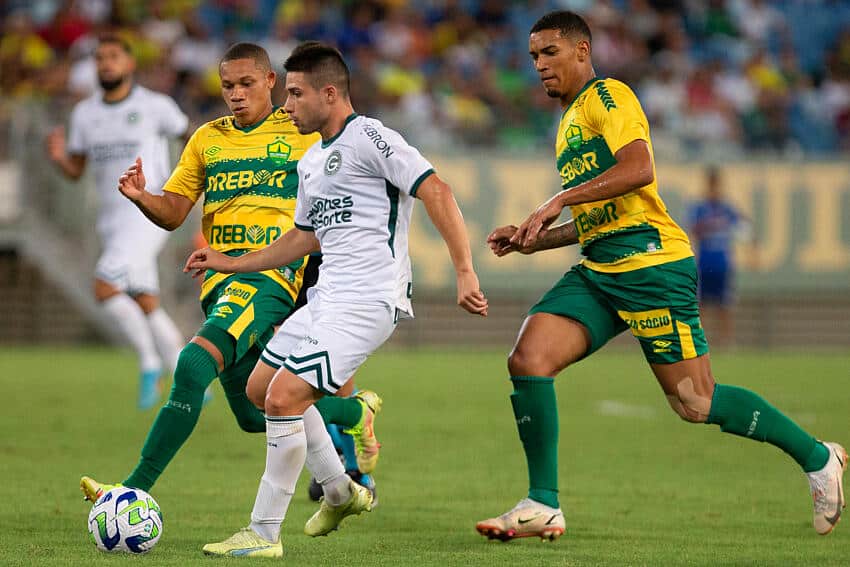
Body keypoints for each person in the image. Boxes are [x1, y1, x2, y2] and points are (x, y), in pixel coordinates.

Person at [479, 10, 845, 542]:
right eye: (533, 55)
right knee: (529, 358)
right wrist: (530, 240)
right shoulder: (569, 120)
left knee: (695, 404)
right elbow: (596, 219)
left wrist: (556, 199)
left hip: (652, 264)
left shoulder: (609, 97)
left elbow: (640, 169)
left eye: (549, 52)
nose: (539, 65)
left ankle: (819, 458)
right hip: (603, 267)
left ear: (582, 50)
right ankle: (543, 503)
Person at [184, 41, 488, 558]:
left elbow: (435, 190)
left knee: (284, 399)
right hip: (326, 298)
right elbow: (303, 240)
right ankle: (341, 492)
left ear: (330, 93)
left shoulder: (371, 136)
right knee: (261, 389)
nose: (287, 105)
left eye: (297, 93)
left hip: (369, 300)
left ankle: (264, 532)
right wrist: (229, 260)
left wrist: (464, 271)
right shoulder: (311, 161)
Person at [78, 42, 321, 502]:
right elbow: (174, 211)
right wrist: (143, 196)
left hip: (270, 277)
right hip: (218, 280)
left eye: (247, 83)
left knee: (191, 365)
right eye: (228, 85)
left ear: (271, 81)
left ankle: (128, 493)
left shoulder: (301, 132)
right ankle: (351, 414)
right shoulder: (208, 138)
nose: (236, 93)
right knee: (255, 411)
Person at [46, 35, 189, 409]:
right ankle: (189, 376)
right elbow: (76, 170)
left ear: (129, 64)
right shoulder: (84, 114)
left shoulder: (156, 106)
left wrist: (187, 189)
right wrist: (60, 158)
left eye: (113, 57)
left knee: (105, 286)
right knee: (144, 300)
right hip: (110, 220)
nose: (105, 64)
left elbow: (194, 140)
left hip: (147, 213)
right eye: (100, 58)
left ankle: (150, 365)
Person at [687, 166, 751, 346]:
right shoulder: (700, 208)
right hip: (704, 261)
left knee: (725, 305)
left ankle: (727, 340)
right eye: (711, 184)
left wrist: (751, 252)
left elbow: (744, 228)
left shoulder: (727, 208)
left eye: (716, 184)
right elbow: (691, 230)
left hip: (723, 262)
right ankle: (701, 342)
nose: (714, 188)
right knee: (701, 304)